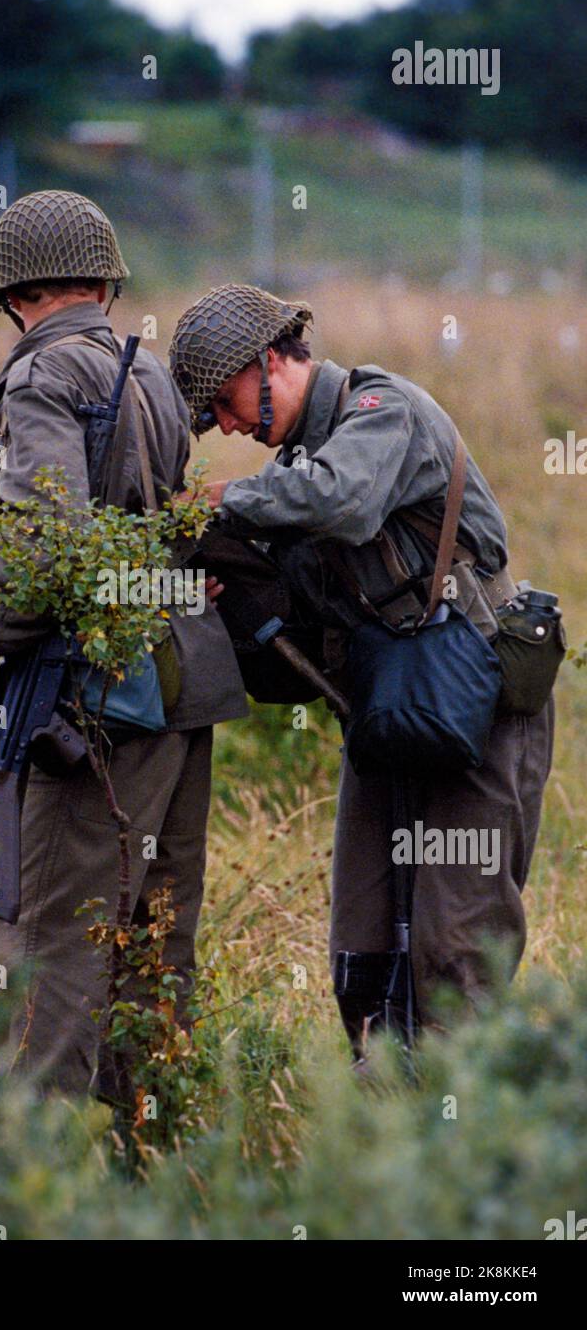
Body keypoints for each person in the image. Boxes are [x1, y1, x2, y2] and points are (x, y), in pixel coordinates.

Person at [169, 282, 555, 1060]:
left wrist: (218, 501)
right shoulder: (298, 466)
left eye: (227, 401)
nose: (232, 425)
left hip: (472, 699)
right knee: (365, 940)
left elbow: (341, 502)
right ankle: (384, 1135)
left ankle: (463, 1142)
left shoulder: (380, 411)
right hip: (390, 706)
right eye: (214, 417)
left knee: (457, 943)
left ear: (270, 360)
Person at [0, 192, 247, 1097]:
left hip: (89, 696)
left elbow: (43, 545)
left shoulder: (43, 377)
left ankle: (36, 1182)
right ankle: (149, 1153)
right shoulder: (150, 373)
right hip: (177, 683)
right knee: (153, 938)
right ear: (104, 280)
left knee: (43, 944)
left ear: (15, 294)